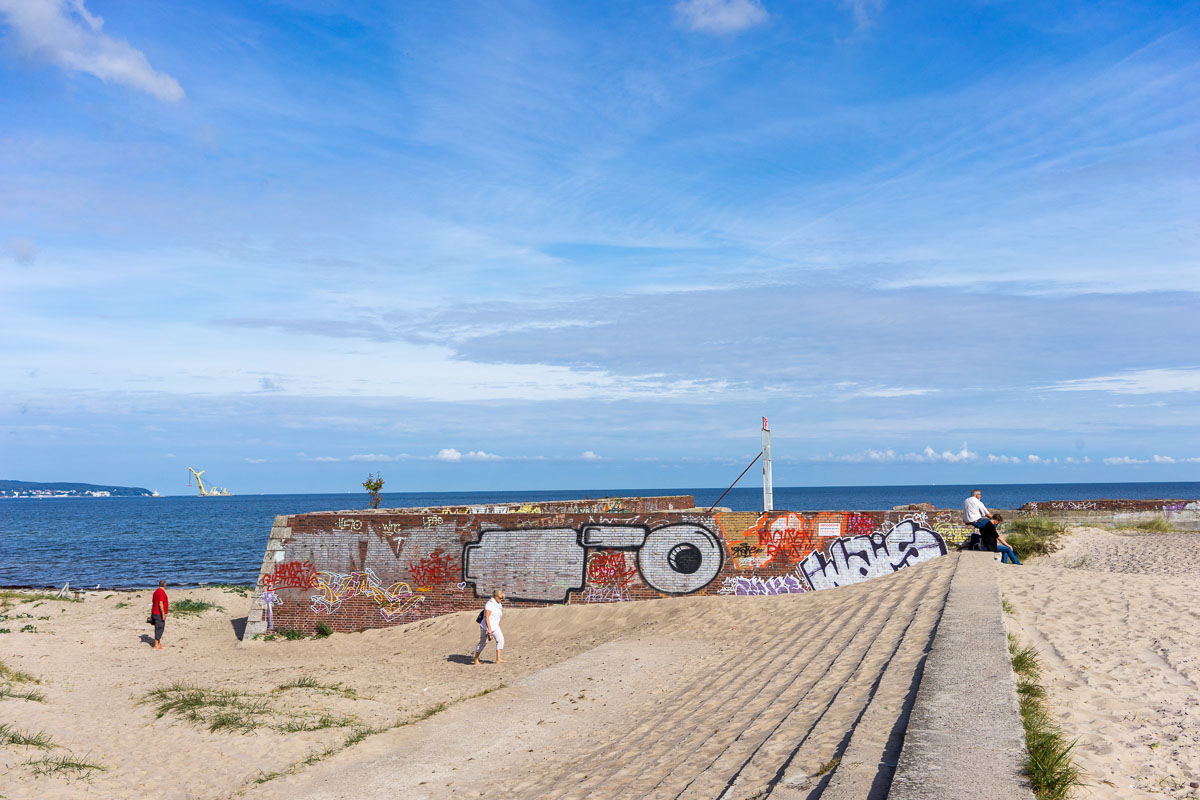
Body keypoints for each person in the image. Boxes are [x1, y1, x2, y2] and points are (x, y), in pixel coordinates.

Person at [473, 588, 507, 665]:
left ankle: (498, 659)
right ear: (495, 597)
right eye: (500, 598)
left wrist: (497, 624)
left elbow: (497, 616)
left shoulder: (498, 605)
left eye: (502, 598)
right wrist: (489, 629)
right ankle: (476, 658)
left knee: (500, 640)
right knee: (483, 642)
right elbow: (487, 617)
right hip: (486, 626)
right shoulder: (489, 605)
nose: (501, 600)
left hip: (495, 626)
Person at [150, 580, 169, 649]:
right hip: (158, 613)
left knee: (159, 627)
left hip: (155, 612)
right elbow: (160, 604)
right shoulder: (161, 592)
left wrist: (151, 614)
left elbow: (153, 604)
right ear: (165, 585)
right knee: (159, 628)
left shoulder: (155, 592)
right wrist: (163, 614)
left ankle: (158, 643)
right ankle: (156, 645)